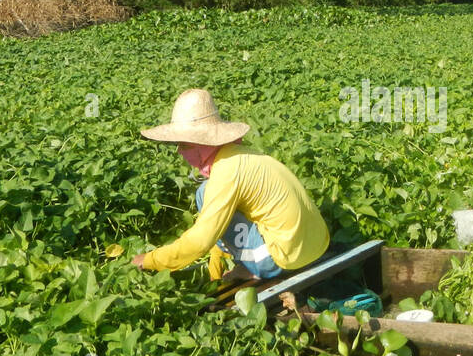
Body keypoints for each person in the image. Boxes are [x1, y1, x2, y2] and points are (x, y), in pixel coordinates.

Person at [132, 89, 329, 282]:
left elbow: (200, 241)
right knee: (204, 192)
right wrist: (215, 266)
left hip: (284, 258)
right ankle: (247, 265)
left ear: (202, 144)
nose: (179, 152)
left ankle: (258, 268)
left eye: (184, 145)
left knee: (206, 195)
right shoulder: (239, 155)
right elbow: (219, 227)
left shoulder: (226, 172)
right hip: (314, 244)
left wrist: (149, 260)